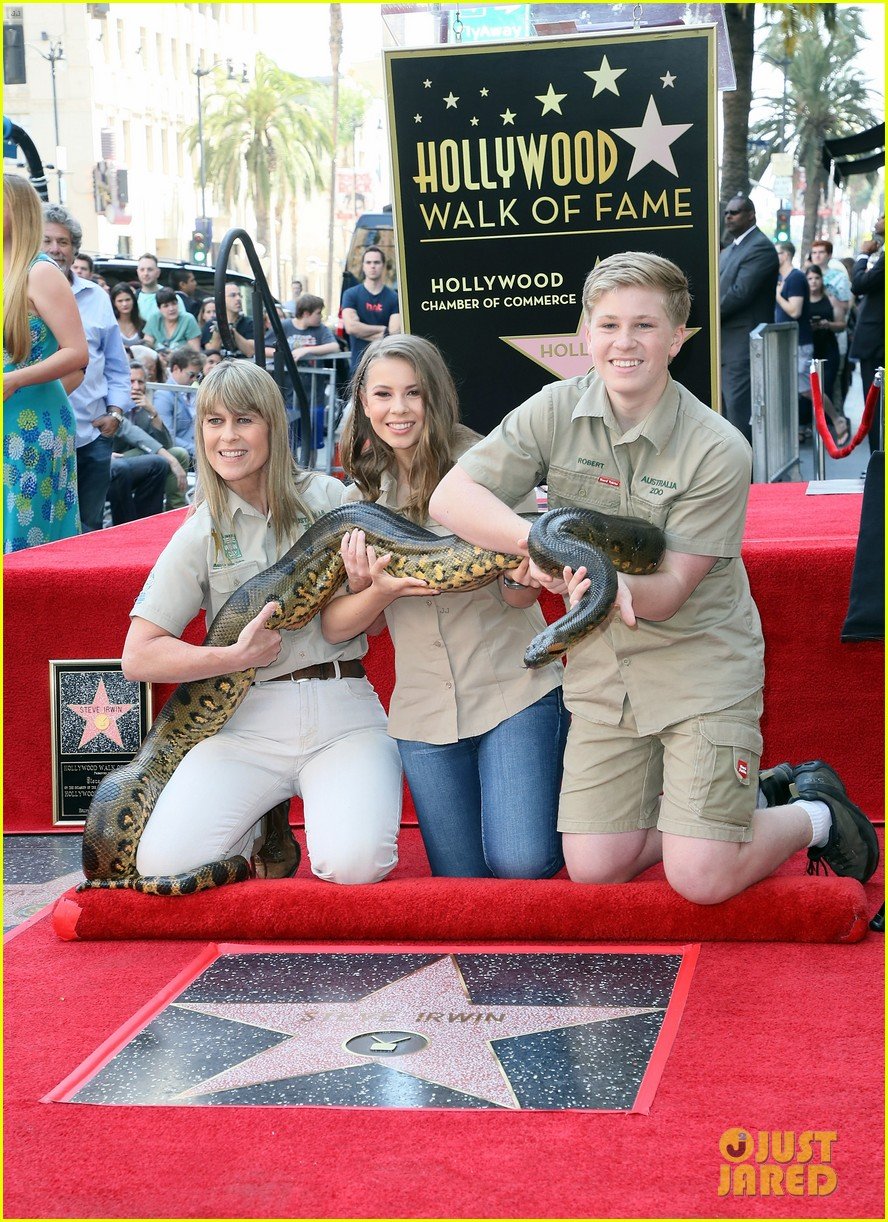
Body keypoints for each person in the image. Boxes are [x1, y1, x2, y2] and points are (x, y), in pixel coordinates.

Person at [428, 252, 879, 902]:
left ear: (676, 337)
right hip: (606, 676)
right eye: (608, 324)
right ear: (585, 333)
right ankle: (731, 807)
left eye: (644, 325)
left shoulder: (718, 447)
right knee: (594, 866)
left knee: (700, 878)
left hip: (701, 670)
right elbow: (450, 499)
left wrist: (591, 579)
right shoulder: (555, 408)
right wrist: (541, 545)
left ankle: (815, 814)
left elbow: (666, 594)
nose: (624, 342)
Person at [122, 360, 403, 885]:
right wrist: (232, 658)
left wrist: (369, 590)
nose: (228, 437)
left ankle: (270, 817)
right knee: (164, 865)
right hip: (246, 721)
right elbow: (138, 656)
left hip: (341, 709)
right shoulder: (200, 529)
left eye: (244, 420)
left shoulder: (331, 500)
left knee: (356, 866)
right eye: (214, 421)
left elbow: (376, 630)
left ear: (273, 424)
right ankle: (258, 827)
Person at [321, 334, 567, 878]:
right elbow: (338, 629)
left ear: (436, 396)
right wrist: (376, 592)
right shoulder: (356, 500)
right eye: (382, 394)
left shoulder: (488, 468)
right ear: (364, 402)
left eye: (413, 393)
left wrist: (526, 575)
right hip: (424, 715)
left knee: (520, 864)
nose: (398, 409)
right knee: (460, 883)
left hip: (513, 693)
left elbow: (518, 593)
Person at [3, 174, 88, 551]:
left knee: (28, 539)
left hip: (34, 424)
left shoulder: (40, 272)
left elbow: (76, 352)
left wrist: (15, 380)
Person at [42, 202, 131, 533]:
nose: (55, 249)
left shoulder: (96, 296)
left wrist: (116, 414)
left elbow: (117, 367)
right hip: (40, 432)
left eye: (63, 242)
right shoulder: (18, 294)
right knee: (45, 526)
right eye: (47, 241)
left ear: (74, 249)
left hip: (92, 436)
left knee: (89, 525)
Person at [718, 195, 780, 442]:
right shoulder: (731, 248)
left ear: (751, 214)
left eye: (736, 212)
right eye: (727, 213)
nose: (729, 216)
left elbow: (740, 294)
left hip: (742, 347)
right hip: (724, 345)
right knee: (722, 416)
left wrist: (709, 316)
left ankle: (747, 478)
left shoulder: (760, 246)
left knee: (738, 416)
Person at [126, 360, 190, 509]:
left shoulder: (143, 408)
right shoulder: (114, 405)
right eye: (131, 381)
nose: (136, 387)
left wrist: (153, 413)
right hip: (114, 459)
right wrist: (169, 459)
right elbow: (133, 434)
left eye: (140, 382)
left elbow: (167, 445)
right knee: (157, 455)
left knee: (179, 453)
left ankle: (175, 509)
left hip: (140, 461)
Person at [849, 215, 885, 452]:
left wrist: (863, 255)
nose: (877, 221)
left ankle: (878, 463)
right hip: (876, 342)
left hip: (877, 344)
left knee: (874, 406)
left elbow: (859, 283)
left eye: (882, 217)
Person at [341, 246, 401, 375]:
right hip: (359, 366)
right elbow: (351, 328)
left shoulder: (394, 297)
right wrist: (382, 330)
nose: (372, 266)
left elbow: (394, 334)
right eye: (368, 262)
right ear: (363, 266)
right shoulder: (351, 294)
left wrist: (362, 330)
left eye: (376, 262)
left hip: (386, 365)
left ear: (383, 265)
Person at [775, 241, 814, 436]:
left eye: (778, 253)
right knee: (791, 389)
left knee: (805, 388)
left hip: (800, 342)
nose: (775, 257)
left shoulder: (796, 277)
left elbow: (794, 310)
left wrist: (778, 296)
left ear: (786, 255)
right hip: (785, 342)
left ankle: (834, 418)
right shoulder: (779, 277)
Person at [806, 264, 848, 444]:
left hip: (828, 349)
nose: (813, 282)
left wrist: (827, 324)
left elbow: (842, 324)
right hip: (809, 349)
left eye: (816, 278)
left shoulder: (830, 298)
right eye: (810, 279)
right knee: (810, 390)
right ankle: (819, 427)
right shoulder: (802, 300)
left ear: (822, 280)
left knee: (826, 388)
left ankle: (829, 427)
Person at [153, 346, 204, 461]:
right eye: (191, 374)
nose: (194, 379)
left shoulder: (193, 392)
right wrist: (197, 451)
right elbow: (168, 437)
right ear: (176, 369)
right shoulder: (163, 395)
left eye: (197, 376)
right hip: (182, 457)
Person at [202, 282, 255, 358]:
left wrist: (231, 331)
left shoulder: (249, 323)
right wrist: (217, 332)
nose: (238, 299)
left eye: (239, 295)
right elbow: (212, 354)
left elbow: (250, 352)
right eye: (233, 295)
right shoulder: (211, 324)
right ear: (221, 299)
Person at [144, 287, 202, 352]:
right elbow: (147, 347)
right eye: (166, 306)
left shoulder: (188, 319)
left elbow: (195, 352)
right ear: (159, 308)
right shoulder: (154, 319)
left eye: (174, 303)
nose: (171, 309)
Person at [111, 282, 155, 350]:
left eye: (127, 300)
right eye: (120, 301)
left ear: (133, 300)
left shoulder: (143, 324)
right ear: (114, 303)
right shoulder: (110, 326)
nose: (124, 304)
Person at [136, 252, 162, 323]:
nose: (146, 273)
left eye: (150, 269)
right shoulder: (133, 299)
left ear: (158, 272)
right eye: (142, 270)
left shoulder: (171, 296)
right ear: (137, 272)